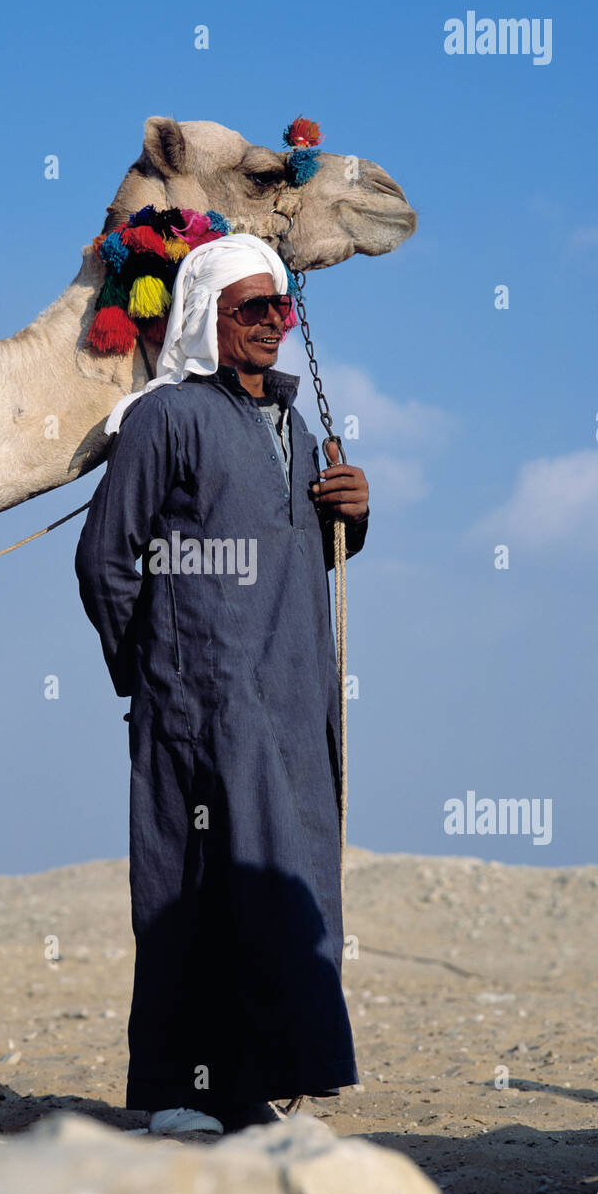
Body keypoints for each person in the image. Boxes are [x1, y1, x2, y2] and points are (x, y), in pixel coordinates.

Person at [75, 232, 370, 1135]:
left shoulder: (298, 424)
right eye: (251, 309)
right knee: (194, 882)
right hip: (196, 697)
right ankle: (181, 1089)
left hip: (288, 693)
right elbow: (105, 559)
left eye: (281, 307)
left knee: (282, 878)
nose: (272, 324)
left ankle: (261, 1083)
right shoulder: (165, 418)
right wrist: (160, 671)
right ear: (207, 316)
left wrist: (351, 521)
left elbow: (301, 553)